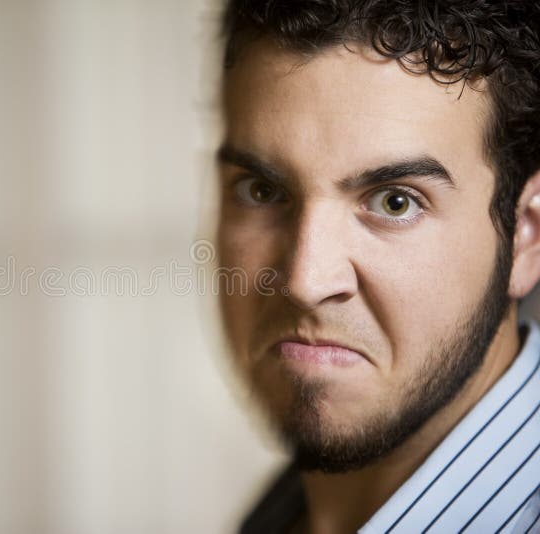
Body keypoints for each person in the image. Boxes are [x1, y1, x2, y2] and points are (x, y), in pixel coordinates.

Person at [215, 1, 540, 532]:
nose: (304, 281)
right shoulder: (283, 509)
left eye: (395, 201)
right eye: (262, 190)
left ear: (527, 236)